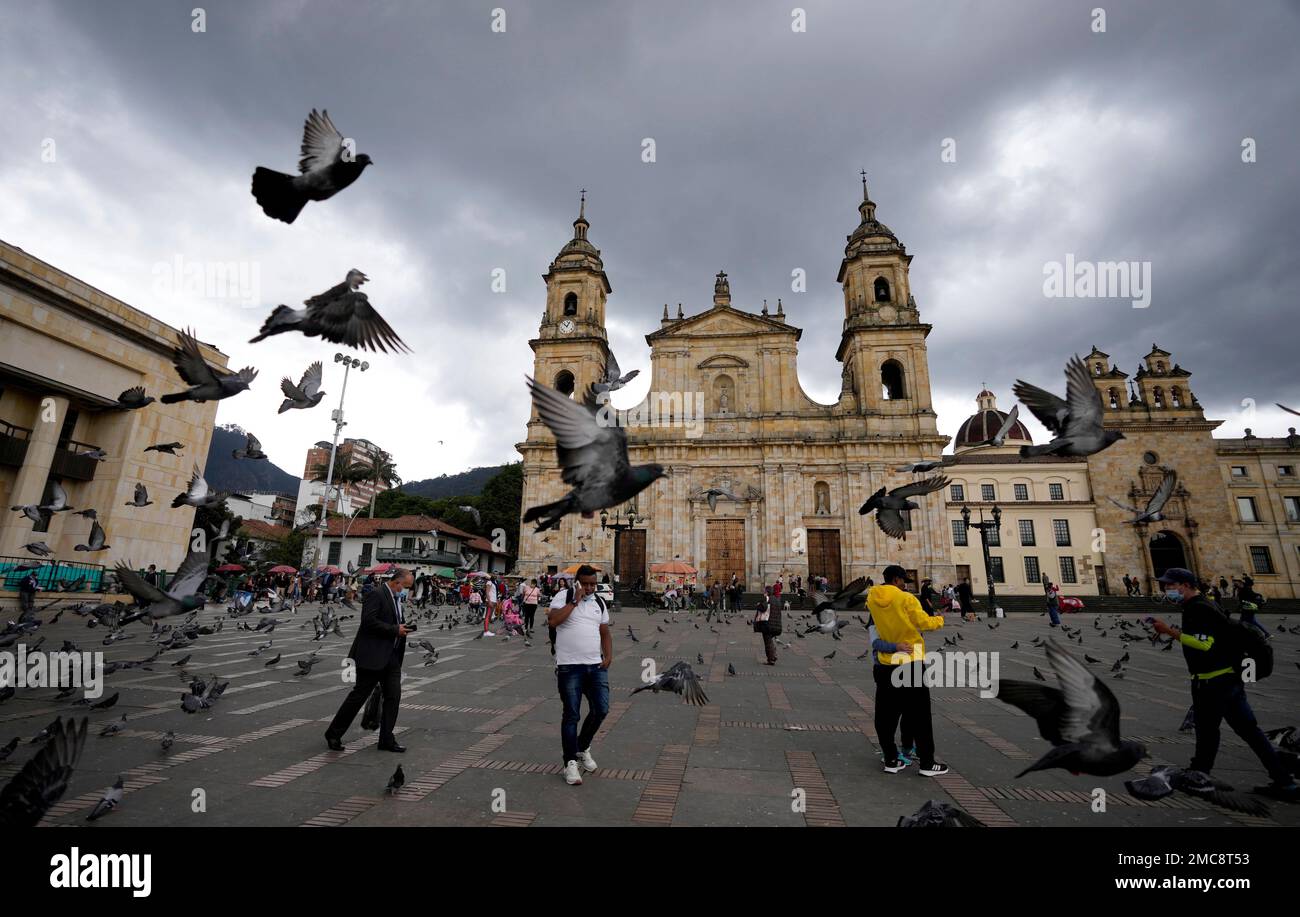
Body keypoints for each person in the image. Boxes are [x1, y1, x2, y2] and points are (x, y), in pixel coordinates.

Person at [1151, 568, 1296, 799]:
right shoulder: (1208, 604)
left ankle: (1199, 774)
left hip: (1212, 682)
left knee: (1208, 730)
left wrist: (1169, 631)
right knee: (1250, 732)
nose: (1167, 590)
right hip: (1229, 679)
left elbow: (1204, 643)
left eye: (1171, 585)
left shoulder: (1197, 607)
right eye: (1165, 586)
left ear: (1187, 585)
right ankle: (1285, 781)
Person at [867, 565, 948, 776]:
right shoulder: (906, 598)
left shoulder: (872, 599)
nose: (905, 584)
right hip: (910, 661)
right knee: (920, 715)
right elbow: (923, 622)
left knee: (885, 715)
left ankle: (891, 759)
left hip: (885, 664)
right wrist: (939, 619)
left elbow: (874, 632)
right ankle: (927, 763)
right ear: (896, 579)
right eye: (903, 580)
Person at [325, 568, 413, 753]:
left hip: (391, 657)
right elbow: (368, 622)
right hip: (372, 655)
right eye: (405, 587)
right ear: (396, 582)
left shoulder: (397, 599)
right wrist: (394, 630)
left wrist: (403, 628)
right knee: (358, 696)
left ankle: (386, 739)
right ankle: (334, 733)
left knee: (393, 697)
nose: (406, 591)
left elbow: (394, 621)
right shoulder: (376, 594)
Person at [548, 565, 612, 786]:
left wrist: (609, 656)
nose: (589, 587)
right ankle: (570, 763)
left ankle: (582, 747)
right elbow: (553, 621)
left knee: (601, 709)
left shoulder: (599, 602)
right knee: (571, 715)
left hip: (595, 667)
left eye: (592, 584)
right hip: (569, 667)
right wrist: (575, 600)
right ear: (577, 582)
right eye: (585, 583)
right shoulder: (562, 596)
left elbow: (605, 631)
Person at [754, 591, 781, 665]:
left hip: (767, 624)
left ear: (767, 593)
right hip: (776, 624)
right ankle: (774, 655)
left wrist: (758, 605)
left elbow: (762, 608)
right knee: (770, 641)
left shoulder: (767, 599)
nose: (763, 593)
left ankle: (771, 659)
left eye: (764, 592)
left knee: (768, 642)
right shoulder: (776, 599)